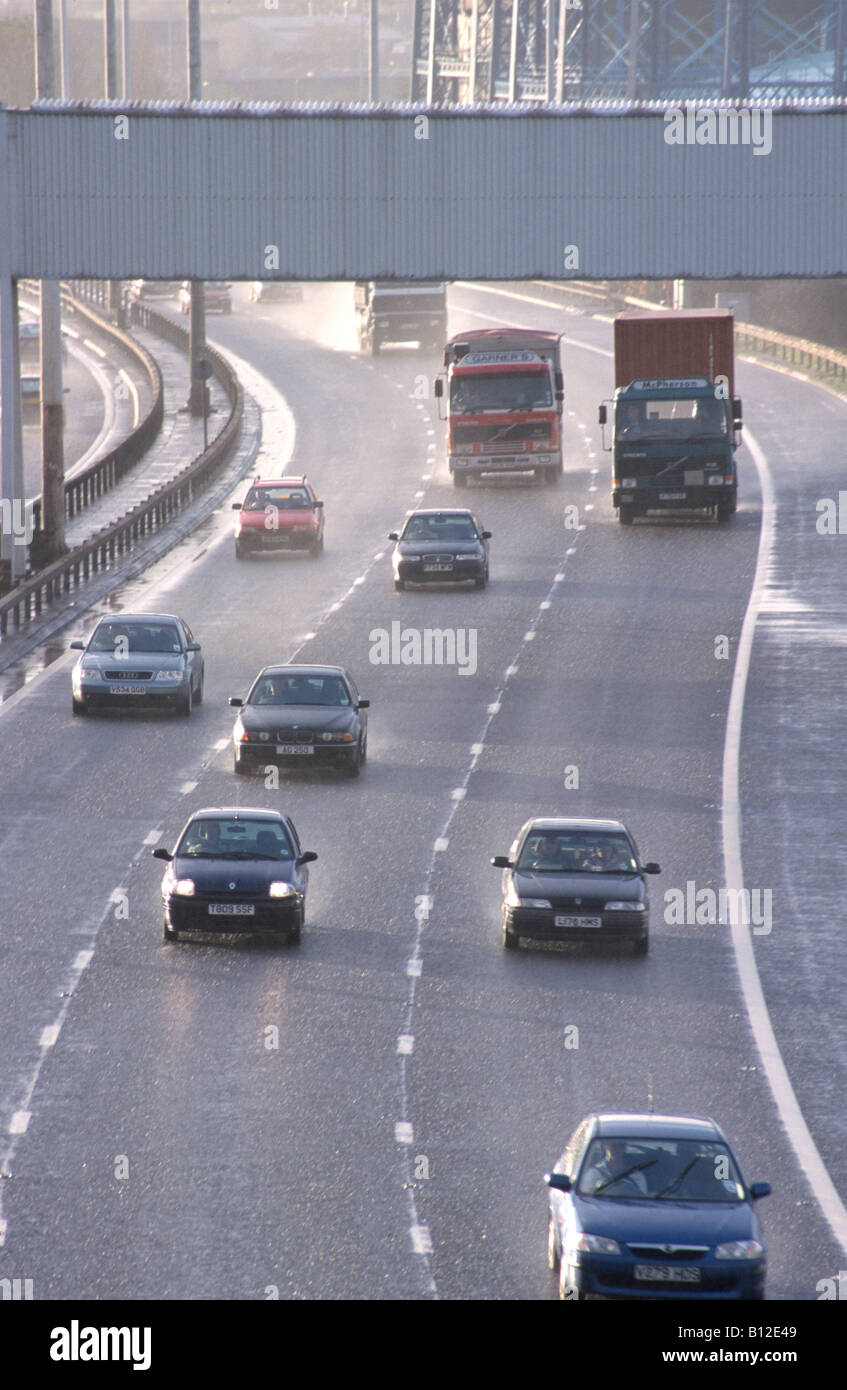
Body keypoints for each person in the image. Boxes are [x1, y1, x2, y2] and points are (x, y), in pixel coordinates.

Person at [581, 1140, 649, 1196]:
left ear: (624, 1148)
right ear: (605, 1146)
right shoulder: (593, 1173)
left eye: (620, 1146)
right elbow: (586, 1198)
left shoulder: (636, 1176)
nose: (616, 1149)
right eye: (613, 1146)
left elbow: (642, 1200)